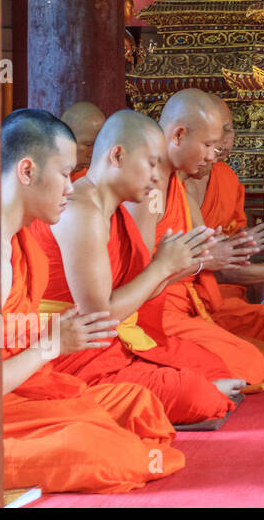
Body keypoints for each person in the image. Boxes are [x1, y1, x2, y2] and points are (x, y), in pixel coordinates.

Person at [0, 108, 185, 492]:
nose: (71, 186)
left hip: (22, 389)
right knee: (109, 454)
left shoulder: (16, 239)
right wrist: (51, 344)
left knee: (140, 412)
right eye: (65, 173)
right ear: (27, 171)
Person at [30, 110, 247, 424]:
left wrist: (179, 262)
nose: (158, 177)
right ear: (117, 155)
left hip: (106, 350)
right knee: (197, 397)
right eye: (151, 164)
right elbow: (98, 317)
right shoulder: (82, 212)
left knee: (206, 377)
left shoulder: (114, 213)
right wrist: (162, 267)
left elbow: (139, 289)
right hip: (69, 356)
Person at [128, 89, 264, 390]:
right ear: (178, 135)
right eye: (207, 145)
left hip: (191, 306)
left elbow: (205, 256)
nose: (212, 155)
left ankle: (179, 369)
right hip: (152, 312)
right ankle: (155, 372)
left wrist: (222, 253)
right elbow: (136, 276)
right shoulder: (146, 188)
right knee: (245, 363)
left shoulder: (177, 186)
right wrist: (202, 261)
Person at [186, 95, 247, 235]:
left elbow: (234, 229)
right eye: (215, 131)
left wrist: (242, 241)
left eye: (228, 129)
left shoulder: (227, 177)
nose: (223, 140)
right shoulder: (160, 185)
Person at [60, 101, 105, 180]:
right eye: (88, 145)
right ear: (65, 138)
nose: (92, 154)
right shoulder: (43, 174)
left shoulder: (90, 177)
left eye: (97, 145)